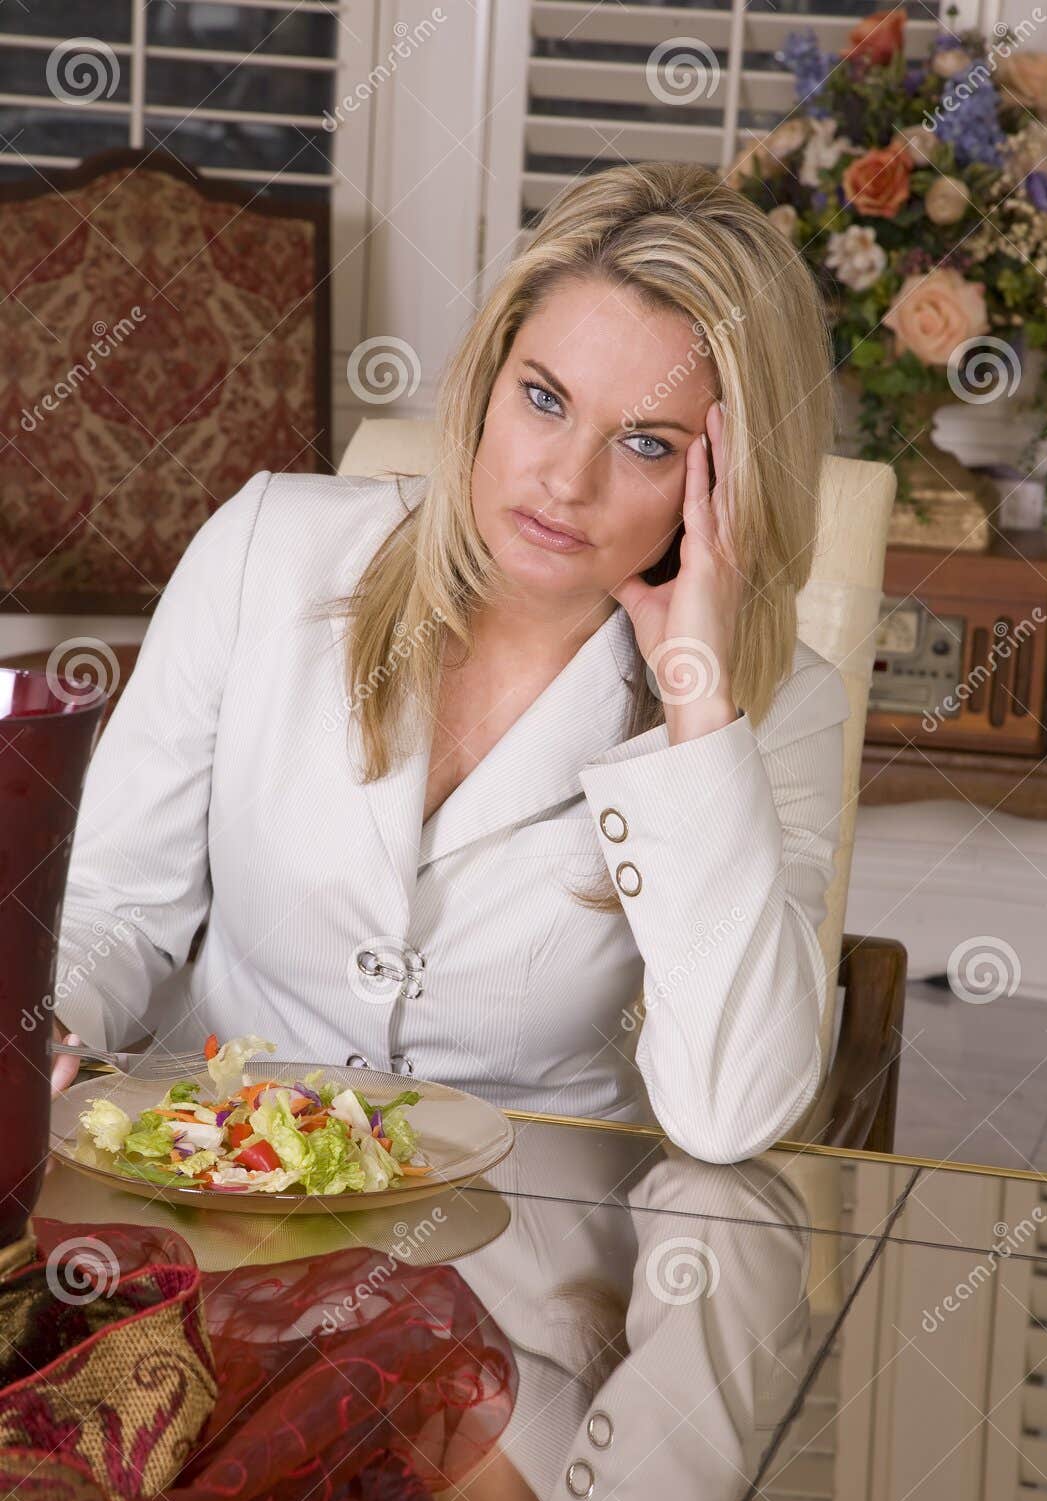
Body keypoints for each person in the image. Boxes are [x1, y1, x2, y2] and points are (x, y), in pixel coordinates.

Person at [52, 159, 849, 1168]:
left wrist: (693, 698)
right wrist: (56, 1017)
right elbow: (117, 904)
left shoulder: (770, 709)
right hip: (217, 1211)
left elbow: (731, 1116)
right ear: (484, 383)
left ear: (727, 483)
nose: (565, 480)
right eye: (543, 399)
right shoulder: (265, 547)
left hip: (531, 1265)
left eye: (646, 445)